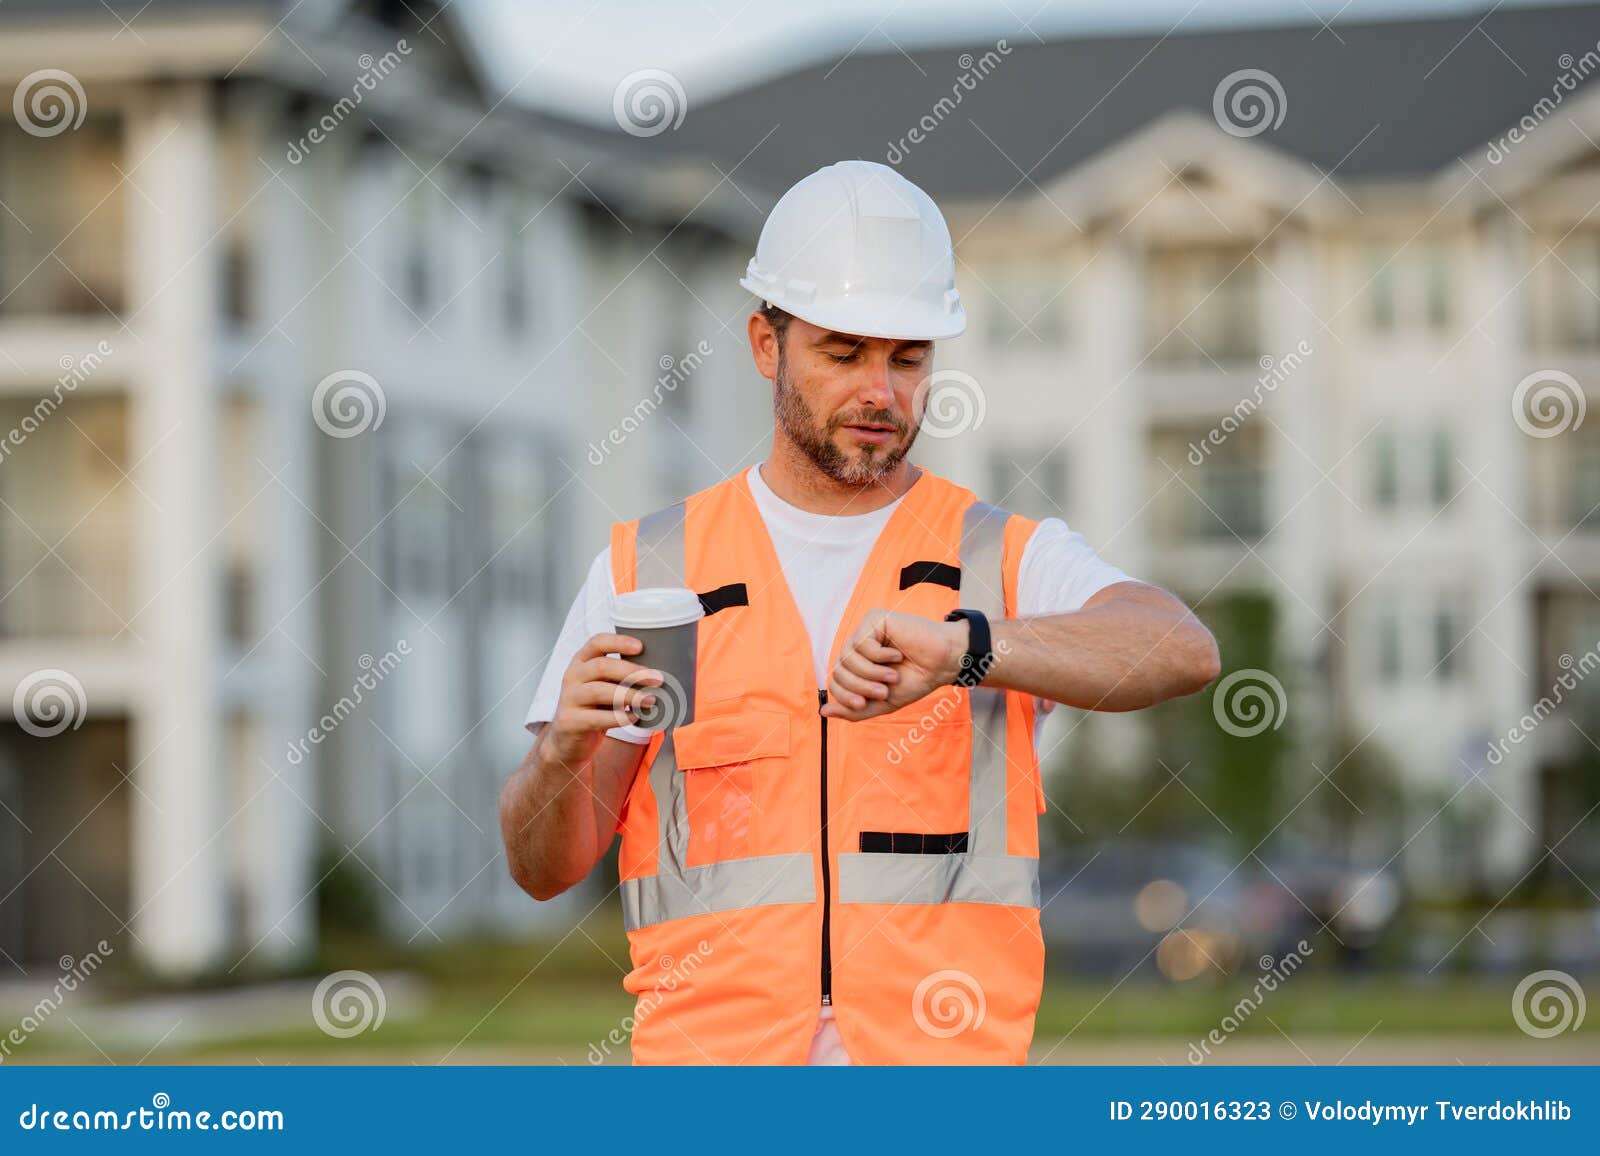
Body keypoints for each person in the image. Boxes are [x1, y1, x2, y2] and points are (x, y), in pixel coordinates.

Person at [501, 160, 1219, 1065]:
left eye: (908, 358)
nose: (881, 392)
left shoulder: (995, 557)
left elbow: (1180, 649)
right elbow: (541, 869)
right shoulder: (648, 571)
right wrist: (560, 755)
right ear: (767, 345)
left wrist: (971, 649)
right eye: (844, 353)